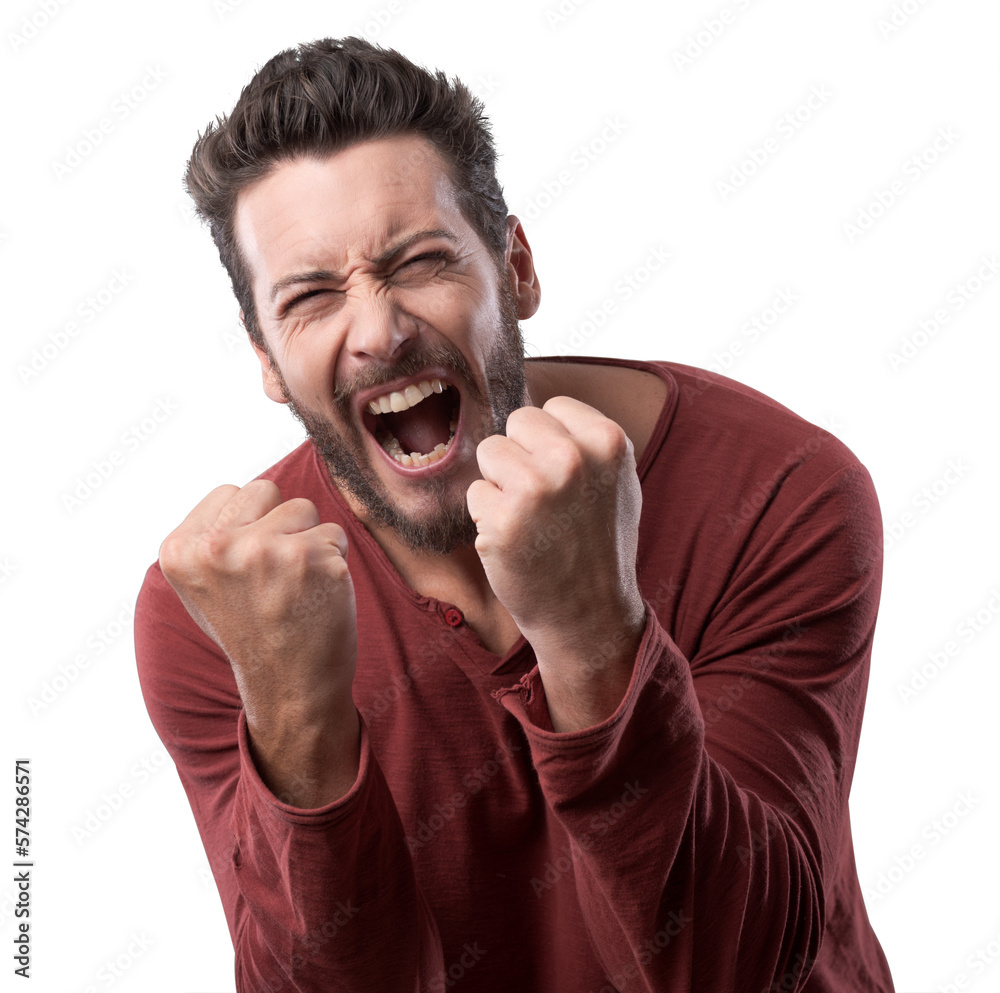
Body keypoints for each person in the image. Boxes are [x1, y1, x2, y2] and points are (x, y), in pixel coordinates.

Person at [134, 36, 896, 993]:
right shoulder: (214, 612)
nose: (377, 330)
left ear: (516, 268)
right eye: (311, 297)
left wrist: (592, 635)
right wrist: (296, 714)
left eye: (418, 262)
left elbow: (735, 969)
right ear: (266, 357)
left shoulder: (776, 489)